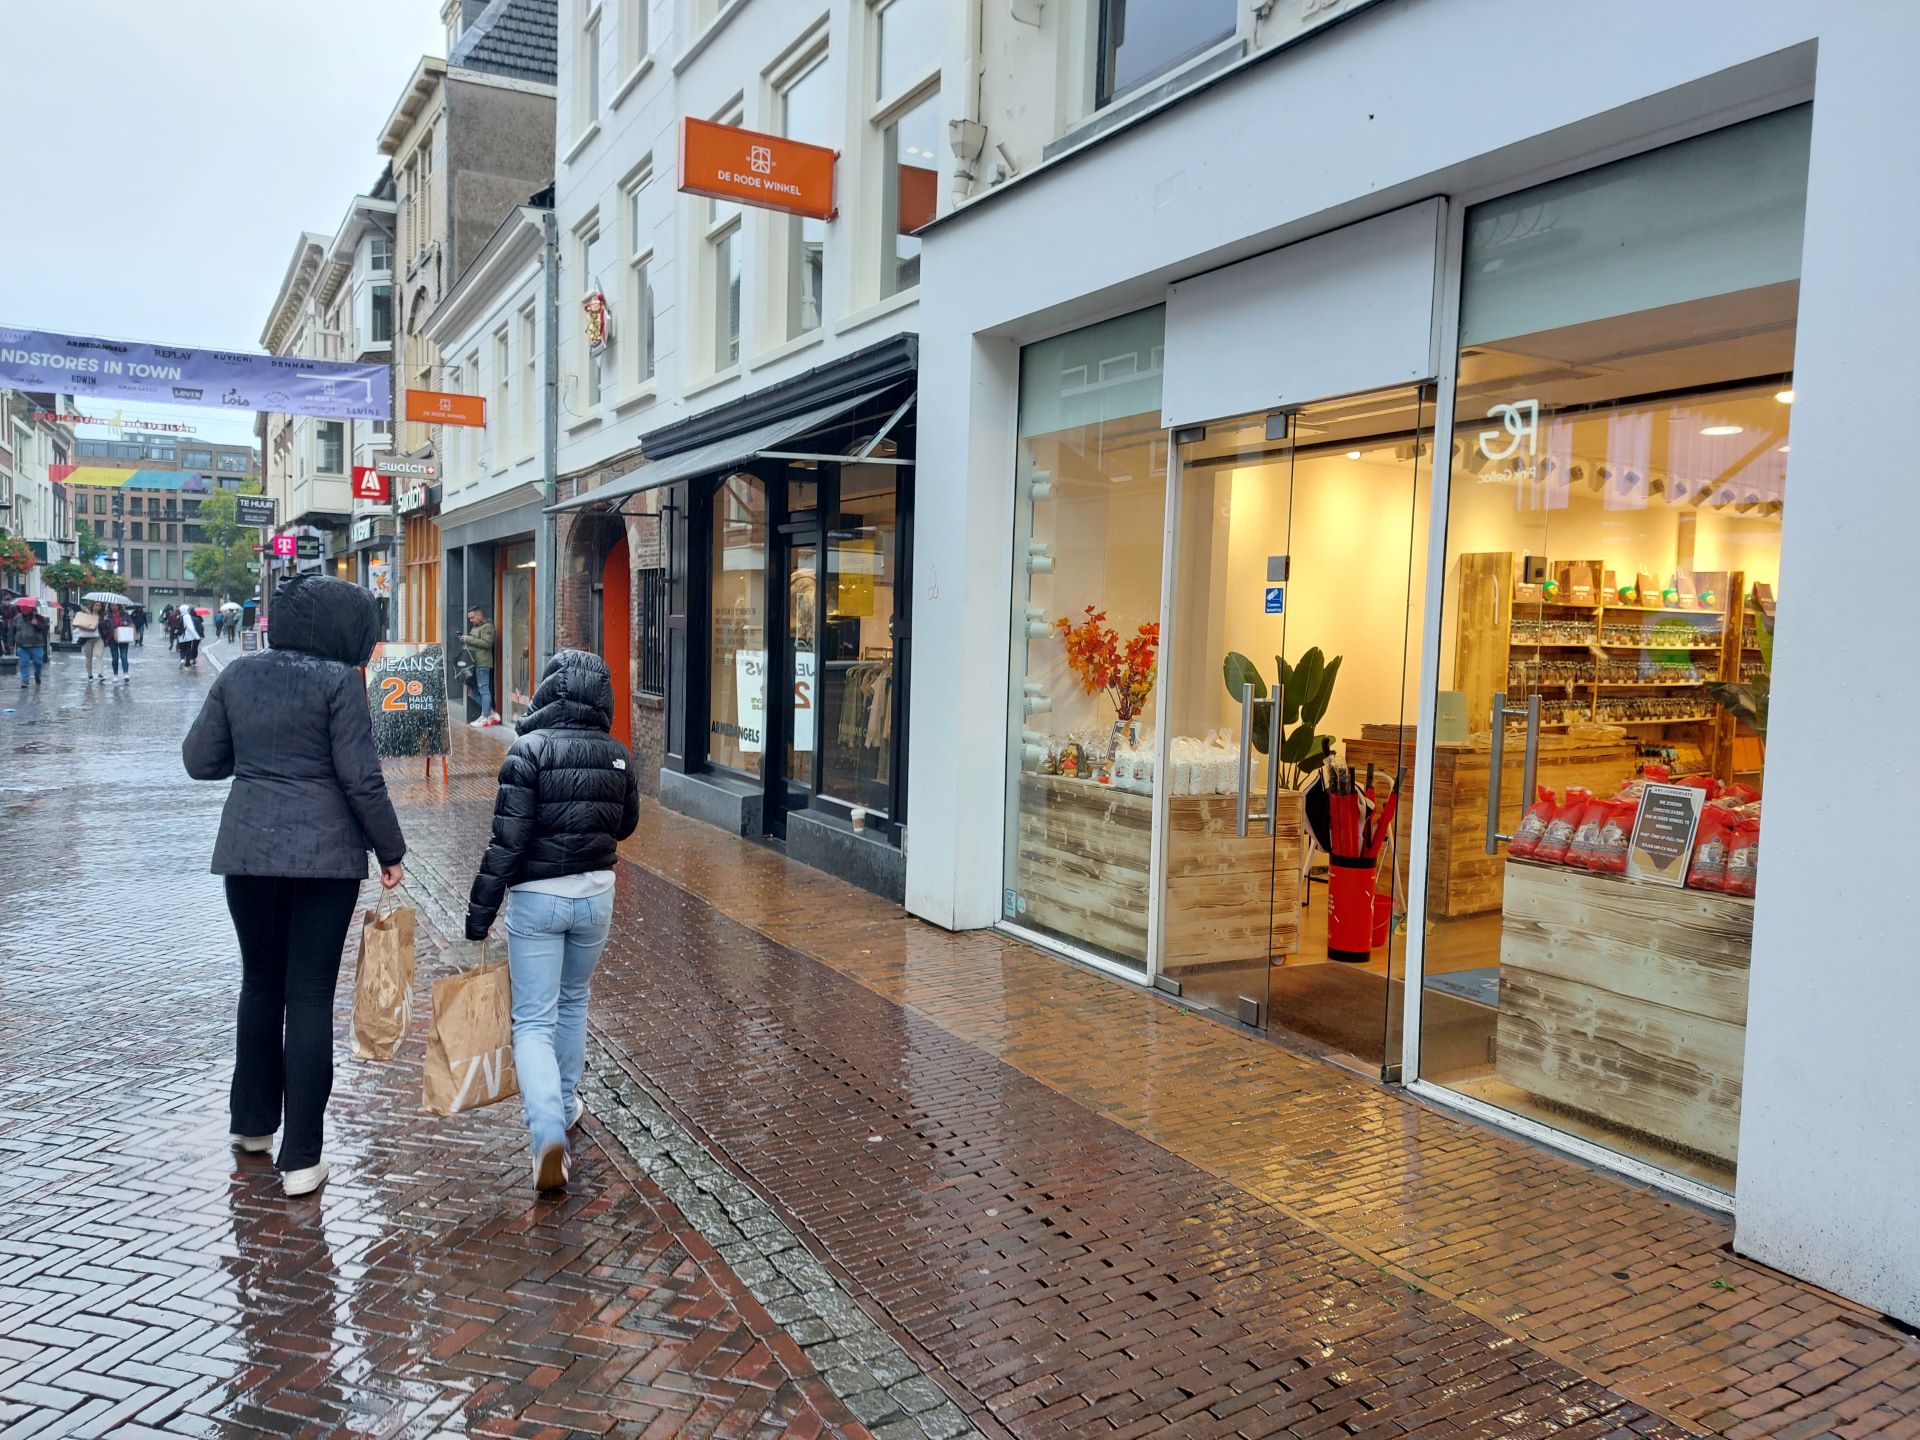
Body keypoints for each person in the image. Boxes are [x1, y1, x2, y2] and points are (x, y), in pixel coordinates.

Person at [183, 575, 406, 1198]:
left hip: (249, 854)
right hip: (324, 860)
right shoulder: (340, 683)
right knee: (308, 997)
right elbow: (361, 779)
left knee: (260, 983)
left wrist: (255, 759)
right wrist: (390, 850)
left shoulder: (238, 675)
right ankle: (302, 1157)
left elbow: (200, 760)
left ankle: (251, 1126)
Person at [465, 650, 639, 1191]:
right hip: (596, 897)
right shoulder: (618, 754)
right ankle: (564, 1106)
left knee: (533, 1021)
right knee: (573, 1002)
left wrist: (480, 913)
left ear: (547, 690)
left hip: (538, 900)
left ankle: (547, 1135)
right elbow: (626, 824)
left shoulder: (528, 751)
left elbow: (508, 841)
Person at [459, 605, 499, 727]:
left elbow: (487, 643)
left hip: (483, 663)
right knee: (471, 691)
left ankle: (485, 717)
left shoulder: (488, 627)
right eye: (469, 618)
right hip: (473, 663)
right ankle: (490, 713)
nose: (471, 620)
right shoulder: (475, 627)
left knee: (483, 689)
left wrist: (468, 639)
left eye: (472, 618)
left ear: (480, 615)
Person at [10, 603, 50, 687]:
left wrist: (37, 625)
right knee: (23, 663)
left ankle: (37, 676)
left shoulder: (38, 617)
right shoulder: (17, 618)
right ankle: (25, 681)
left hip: (36, 645)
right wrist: (11, 644)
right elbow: (12, 631)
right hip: (22, 645)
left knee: (38, 663)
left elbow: (45, 629)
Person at [79, 602, 109, 682]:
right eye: (96, 605)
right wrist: (88, 616)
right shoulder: (85, 613)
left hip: (98, 638)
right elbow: (79, 622)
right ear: (92, 606)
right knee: (89, 657)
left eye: (99, 606)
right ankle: (90, 675)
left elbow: (105, 626)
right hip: (87, 638)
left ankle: (100, 674)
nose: (98, 607)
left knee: (99, 655)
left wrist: (101, 621)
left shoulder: (102, 616)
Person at [106, 605, 132, 682]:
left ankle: (126, 673)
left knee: (124, 656)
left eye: (116, 605)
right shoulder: (107, 616)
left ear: (119, 606)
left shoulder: (125, 615)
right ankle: (115, 674)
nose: (114, 607)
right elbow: (104, 626)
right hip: (112, 638)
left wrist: (126, 623)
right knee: (115, 658)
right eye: (112, 605)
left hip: (123, 637)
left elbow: (131, 623)